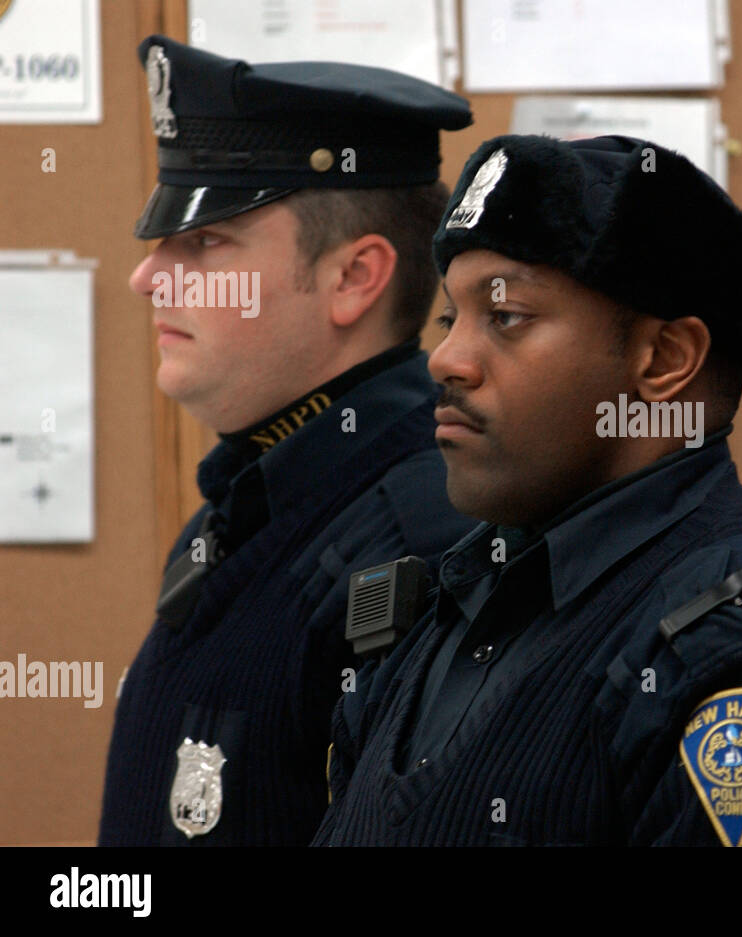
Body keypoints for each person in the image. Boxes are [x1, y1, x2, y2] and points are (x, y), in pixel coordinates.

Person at [312, 134, 742, 846]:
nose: (447, 358)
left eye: (506, 317)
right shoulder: (447, 602)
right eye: (449, 317)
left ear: (664, 359)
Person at [99, 36, 477, 845]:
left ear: (352, 278)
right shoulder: (242, 507)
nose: (147, 275)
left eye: (205, 243)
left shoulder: (424, 551)